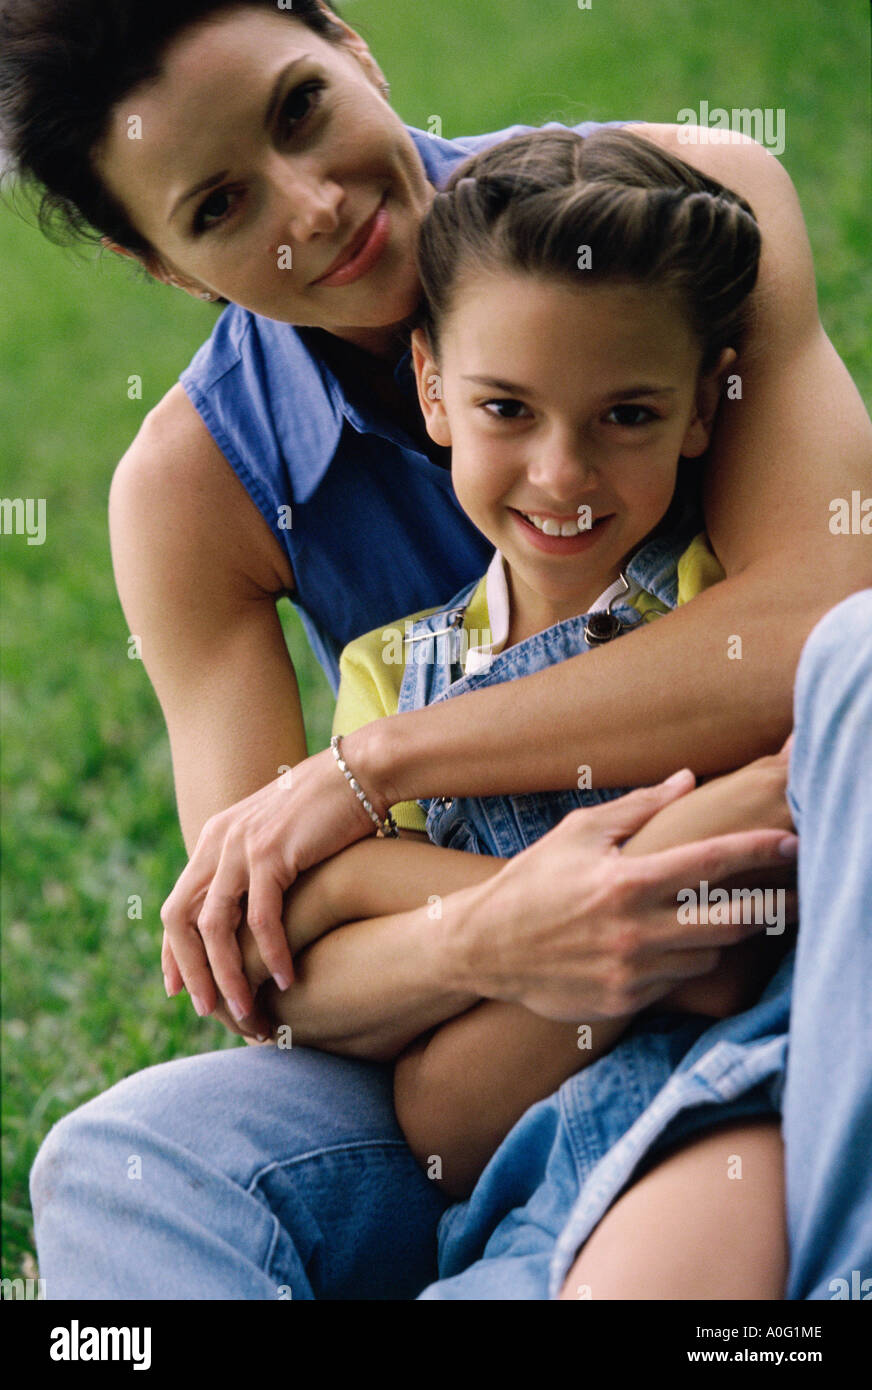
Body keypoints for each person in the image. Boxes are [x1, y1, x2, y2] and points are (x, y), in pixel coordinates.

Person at [3, 0, 865, 1297]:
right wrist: (507, 929)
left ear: (351, 45)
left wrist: (374, 767)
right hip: (515, 1039)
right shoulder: (194, 486)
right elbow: (272, 948)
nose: (314, 205)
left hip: (820, 925)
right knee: (121, 1156)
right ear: (164, 264)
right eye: (220, 206)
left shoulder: (683, 214)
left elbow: (822, 620)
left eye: (301, 109)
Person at [223, 125, 800, 1300]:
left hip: (737, 1115)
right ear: (431, 387)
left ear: (702, 409)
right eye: (505, 409)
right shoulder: (395, 672)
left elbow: (738, 953)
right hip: (508, 1195)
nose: (560, 474)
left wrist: (384, 896)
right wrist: (592, 909)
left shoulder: (723, 620)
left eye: (626, 415)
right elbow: (328, 1006)